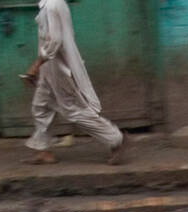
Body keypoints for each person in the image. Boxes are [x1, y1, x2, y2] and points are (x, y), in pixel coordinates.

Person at [22, 0, 126, 165]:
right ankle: (44, 151)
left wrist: (35, 66)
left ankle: (115, 139)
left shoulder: (52, 5)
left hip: (59, 69)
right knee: (40, 106)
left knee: (73, 110)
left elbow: (54, 41)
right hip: (49, 67)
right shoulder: (50, 4)